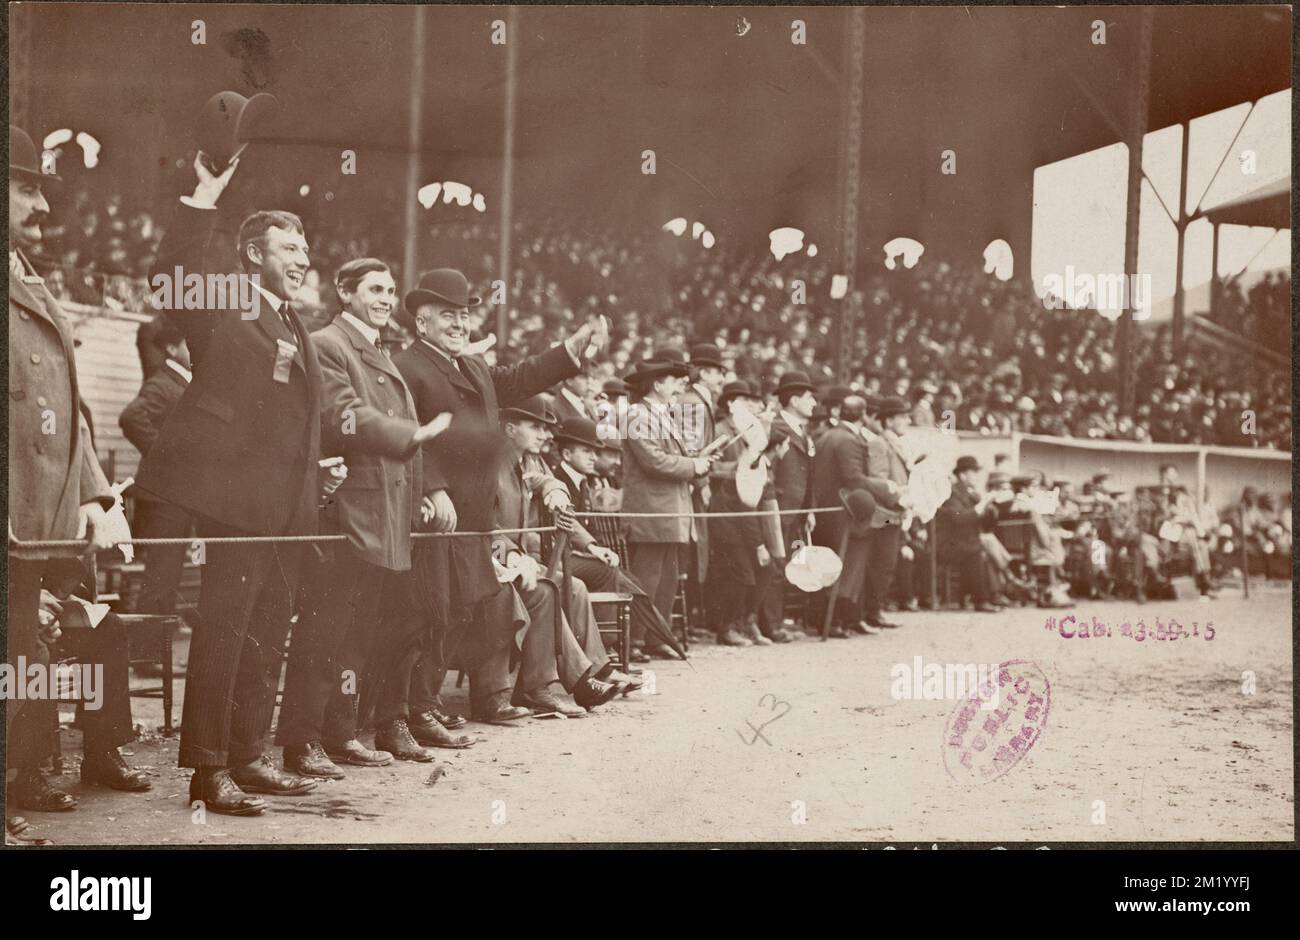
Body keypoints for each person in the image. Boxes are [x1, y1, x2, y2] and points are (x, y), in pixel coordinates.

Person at [133, 146, 324, 816]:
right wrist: (201, 200)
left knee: (267, 634)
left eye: (304, 249)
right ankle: (208, 771)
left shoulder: (297, 320)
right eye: (288, 248)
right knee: (222, 634)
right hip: (237, 504)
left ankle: (248, 755)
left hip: (286, 508)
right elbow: (171, 274)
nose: (302, 259)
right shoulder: (226, 303)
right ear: (252, 254)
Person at [277, 258, 466, 780]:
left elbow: (399, 429)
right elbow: (343, 415)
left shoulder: (377, 350)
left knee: (357, 633)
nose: (385, 298)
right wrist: (411, 437)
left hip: (384, 512)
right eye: (375, 289)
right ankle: (302, 739)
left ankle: (339, 733)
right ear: (345, 292)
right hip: (348, 510)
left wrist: (419, 494)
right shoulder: (329, 343)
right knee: (323, 631)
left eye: (389, 290)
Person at [392, 268, 605, 723]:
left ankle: (426, 708)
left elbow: (522, 377)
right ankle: (417, 711)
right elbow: (408, 434)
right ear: (421, 321)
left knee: (460, 614)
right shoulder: (407, 367)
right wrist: (433, 488)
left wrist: (570, 350)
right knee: (430, 615)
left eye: (464, 315)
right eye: (447, 315)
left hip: (476, 520)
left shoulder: (471, 365)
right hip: (437, 516)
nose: (458, 325)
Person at [7, 127, 124, 836]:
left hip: (30, 527)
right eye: (25, 188)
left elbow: (68, 410)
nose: (42, 206)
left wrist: (97, 494)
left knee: (18, 663)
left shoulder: (28, 276)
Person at [493, 398, 624, 715]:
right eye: (535, 427)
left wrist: (555, 488)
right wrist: (510, 555)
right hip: (496, 563)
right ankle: (558, 686)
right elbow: (481, 524)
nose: (543, 435)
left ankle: (592, 673)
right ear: (509, 429)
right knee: (548, 590)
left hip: (522, 562)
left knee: (575, 587)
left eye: (544, 429)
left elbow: (541, 479)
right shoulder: (489, 465)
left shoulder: (526, 463)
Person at [621, 351, 714, 660]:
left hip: (671, 510)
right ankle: (634, 640)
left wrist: (699, 462)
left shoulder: (661, 414)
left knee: (667, 577)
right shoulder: (637, 415)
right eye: (675, 381)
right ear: (658, 383)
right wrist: (693, 465)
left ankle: (656, 637)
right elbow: (653, 461)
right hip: (652, 510)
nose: (680, 387)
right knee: (647, 576)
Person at [118, 319, 192, 619]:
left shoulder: (184, 382)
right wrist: (165, 454)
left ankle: (155, 645)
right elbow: (131, 417)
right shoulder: (162, 382)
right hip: (164, 494)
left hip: (178, 493)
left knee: (169, 571)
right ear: (172, 349)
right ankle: (147, 651)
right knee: (162, 572)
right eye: (189, 343)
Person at [811, 395, 880, 636]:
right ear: (862, 415)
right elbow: (854, 478)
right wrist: (886, 487)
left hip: (825, 511)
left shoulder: (826, 436)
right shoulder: (848, 439)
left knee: (831, 566)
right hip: (844, 512)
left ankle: (829, 620)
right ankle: (837, 621)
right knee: (847, 565)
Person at [759, 371, 818, 640]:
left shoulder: (801, 431)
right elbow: (766, 470)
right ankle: (770, 624)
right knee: (774, 565)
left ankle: (778, 620)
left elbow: (809, 473)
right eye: (809, 397)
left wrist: (810, 509)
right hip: (777, 506)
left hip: (796, 510)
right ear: (794, 400)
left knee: (784, 566)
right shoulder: (775, 427)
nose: (814, 402)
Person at [864, 396, 914, 629]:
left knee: (887, 563)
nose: (907, 420)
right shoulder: (879, 443)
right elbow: (878, 479)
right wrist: (901, 496)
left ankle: (876, 610)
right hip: (882, 513)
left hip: (894, 512)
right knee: (880, 564)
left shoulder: (895, 443)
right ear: (889, 419)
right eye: (902, 416)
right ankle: (872, 612)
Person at [935, 456, 999, 612]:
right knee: (975, 550)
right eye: (974, 472)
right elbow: (960, 518)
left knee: (979, 548)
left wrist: (991, 509)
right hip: (947, 544)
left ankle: (992, 596)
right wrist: (983, 504)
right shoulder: (952, 493)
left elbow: (986, 524)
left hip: (963, 542)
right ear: (962, 475)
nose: (977, 476)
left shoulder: (971, 494)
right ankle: (982, 600)